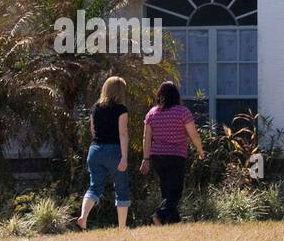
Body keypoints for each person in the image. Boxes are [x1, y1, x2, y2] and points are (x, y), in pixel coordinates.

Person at [141, 81, 205, 226]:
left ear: (160, 95)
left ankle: (172, 222)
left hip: (157, 156)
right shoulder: (183, 112)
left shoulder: (152, 113)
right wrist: (200, 150)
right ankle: (159, 215)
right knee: (175, 191)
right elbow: (193, 134)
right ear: (176, 95)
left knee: (166, 190)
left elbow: (147, 138)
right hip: (176, 156)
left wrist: (146, 158)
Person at [77, 76, 132, 231]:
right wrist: (124, 157)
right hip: (113, 150)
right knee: (121, 188)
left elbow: (93, 130)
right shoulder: (121, 109)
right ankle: (121, 227)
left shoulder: (95, 108)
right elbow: (123, 133)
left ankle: (83, 217)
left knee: (94, 187)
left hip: (95, 150)